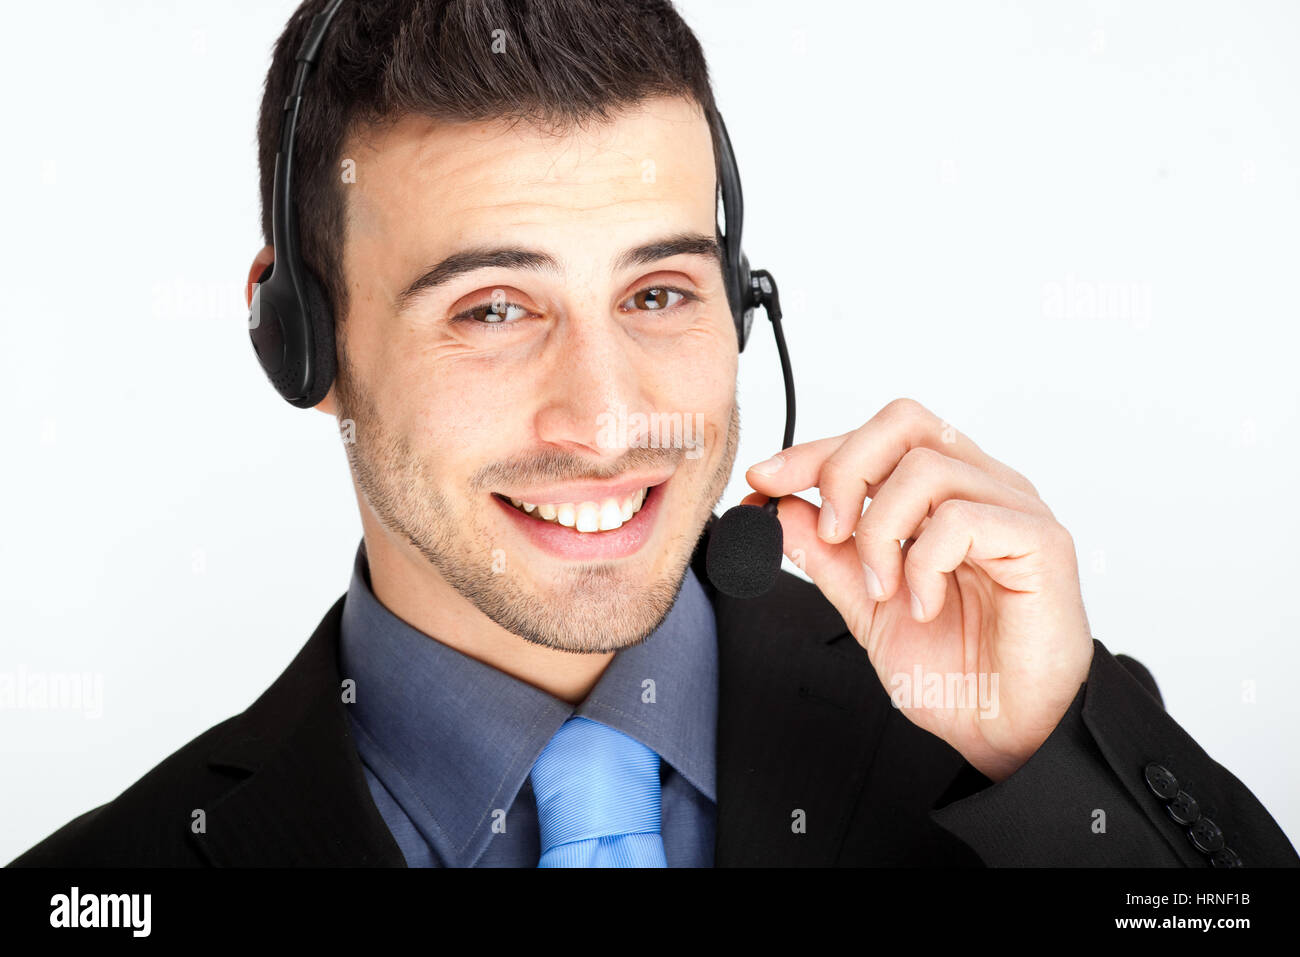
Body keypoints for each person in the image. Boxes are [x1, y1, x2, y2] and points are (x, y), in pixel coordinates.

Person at [10, 0, 1298, 868]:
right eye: (496, 306)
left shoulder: (993, 748)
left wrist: (1049, 757)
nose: (610, 414)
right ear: (303, 343)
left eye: (659, 292)